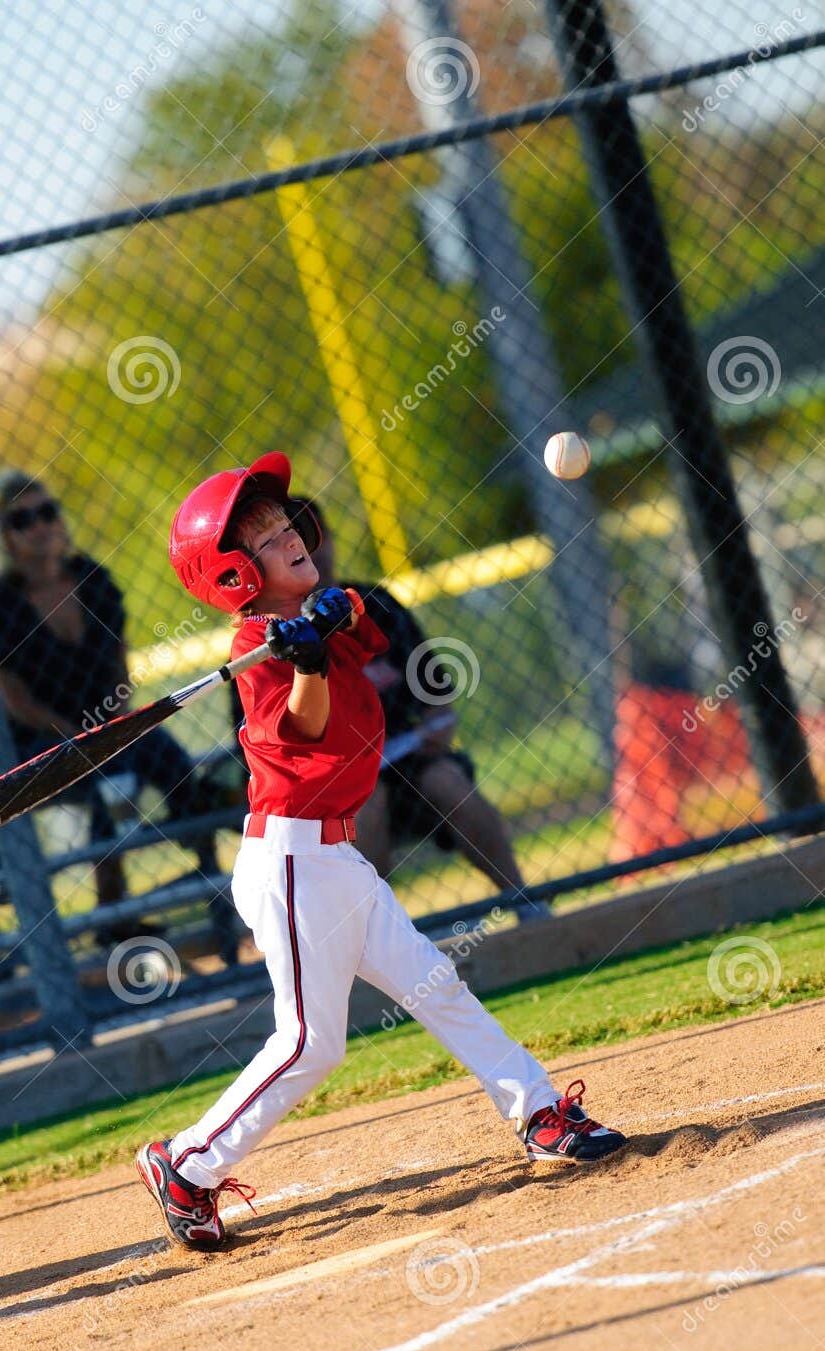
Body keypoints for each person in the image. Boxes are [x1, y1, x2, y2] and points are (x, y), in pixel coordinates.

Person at [136, 452, 625, 1251]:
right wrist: (302, 663)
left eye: (282, 518)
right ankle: (185, 1163)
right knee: (308, 1043)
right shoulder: (254, 655)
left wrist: (323, 624)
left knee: (436, 984)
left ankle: (538, 1114)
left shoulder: (318, 614)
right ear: (231, 572)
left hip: (335, 859)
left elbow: (361, 626)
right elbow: (305, 729)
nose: (286, 530)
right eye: (260, 533)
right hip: (290, 865)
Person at [231, 495, 548, 918]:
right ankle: (371, 930)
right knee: (369, 801)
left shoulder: (367, 603)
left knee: (450, 784)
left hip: (406, 755)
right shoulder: (264, 638)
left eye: (307, 535)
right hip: (332, 781)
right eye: (280, 540)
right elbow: (265, 743)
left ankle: (521, 899)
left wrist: (438, 725)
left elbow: (435, 692)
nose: (305, 548)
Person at [0, 474, 198, 927]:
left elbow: (119, 658)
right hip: (40, 741)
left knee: (169, 757)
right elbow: (12, 695)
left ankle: (212, 865)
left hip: (107, 725)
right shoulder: (1, 602)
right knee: (105, 777)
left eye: (47, 512)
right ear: (7, 537)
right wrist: (72, 734)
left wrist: (115, 719)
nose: (40, 526)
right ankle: (113, 915)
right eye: (23, 519)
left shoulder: (92, 578)